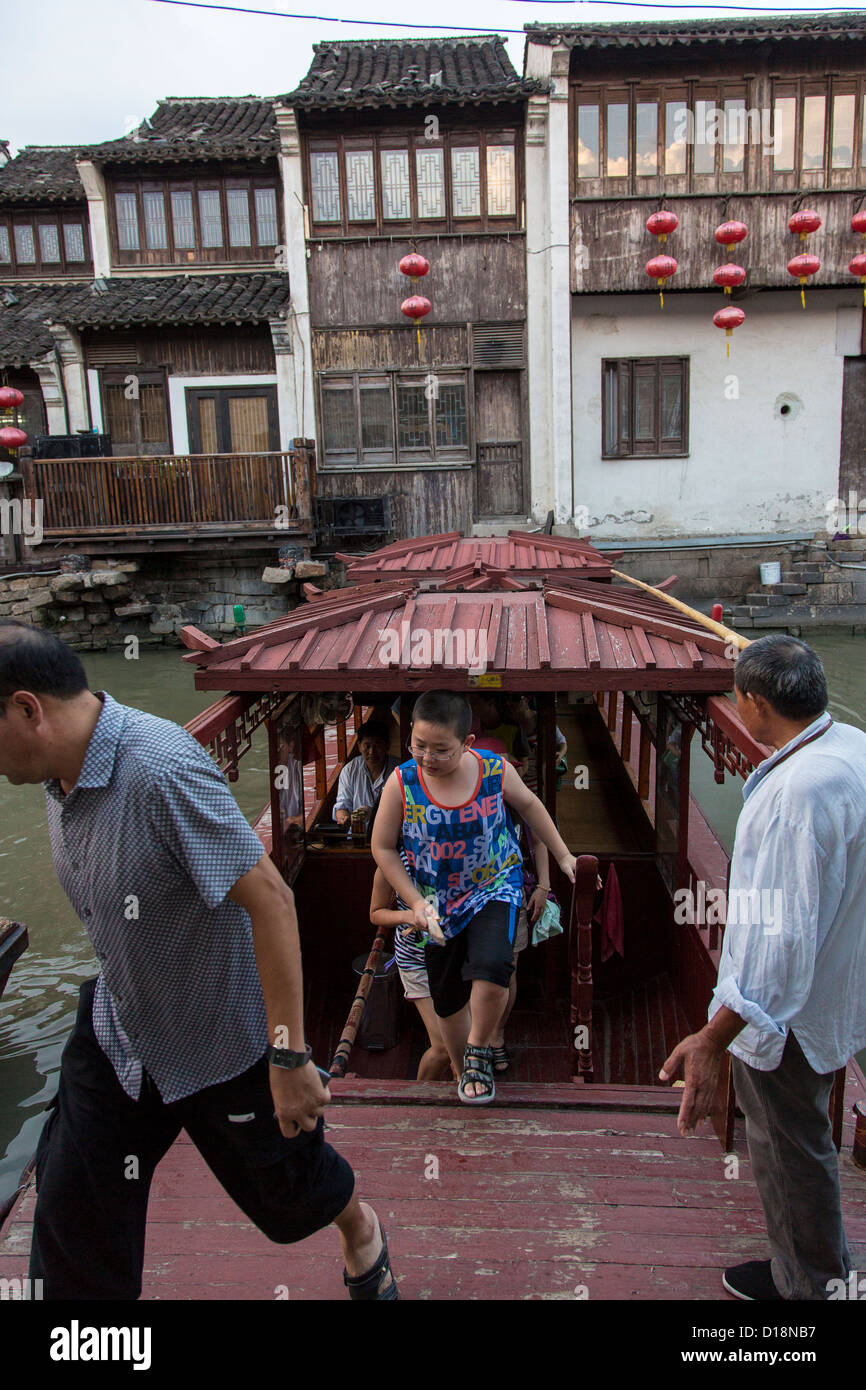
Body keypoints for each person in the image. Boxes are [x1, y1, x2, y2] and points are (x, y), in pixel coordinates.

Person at [0, 620, 397, 1300]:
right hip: (122, 1029)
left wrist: (290, 1058)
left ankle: (360, 1228)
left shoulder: (159, 768)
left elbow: (271, 899)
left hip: (216, 1035)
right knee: (71, 1203)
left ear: (27, 708)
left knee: (287, 1197)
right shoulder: (57, 776)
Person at [659, 634, 866, 1302]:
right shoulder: (854, 751)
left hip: (791, 1017)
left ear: (751, 703)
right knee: (802, 1141)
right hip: (840, 985)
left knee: (790, 1147)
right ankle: (817, 1266)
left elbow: (777, 946)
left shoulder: (794, 798)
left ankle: (810, 1284)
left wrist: (713, 1038)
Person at [371, 688, 577, 1105]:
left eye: (440, 750)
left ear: (466, 744)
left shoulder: (494, 770)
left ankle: (481, 1047)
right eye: (419, 745)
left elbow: (532, 807)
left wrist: (563, 855)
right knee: (446, 997)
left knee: (493, 964)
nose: (427, 758)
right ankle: (465, 1063)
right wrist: (413, 902)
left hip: (492, 886)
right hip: (434, 901)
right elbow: (383, 847)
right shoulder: (402, 782)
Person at [369, 848, 452, 1082]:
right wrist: (408, 916)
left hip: (455, 956)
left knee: (465, 1046)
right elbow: (376, 913)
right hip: (415, 959)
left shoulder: (457, 853)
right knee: (444, 1048)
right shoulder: (393, 861)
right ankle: (418, 1098)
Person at [489, 825, 552, 1073]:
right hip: (468, 896)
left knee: (508, 969)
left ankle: (497, 1033)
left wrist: (543, 886)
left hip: (511, 893)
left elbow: (540, 839)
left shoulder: (513, 794)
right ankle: (476, 1040)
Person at [333, 718, 398, 824]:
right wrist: (344, 818)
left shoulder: (399, 770)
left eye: (377, 746)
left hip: (389, 834)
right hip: (357, 835)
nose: (372, 752)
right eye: (367, 746)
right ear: (359, 746)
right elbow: (342, 806)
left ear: (387, 745)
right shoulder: (350, 770)